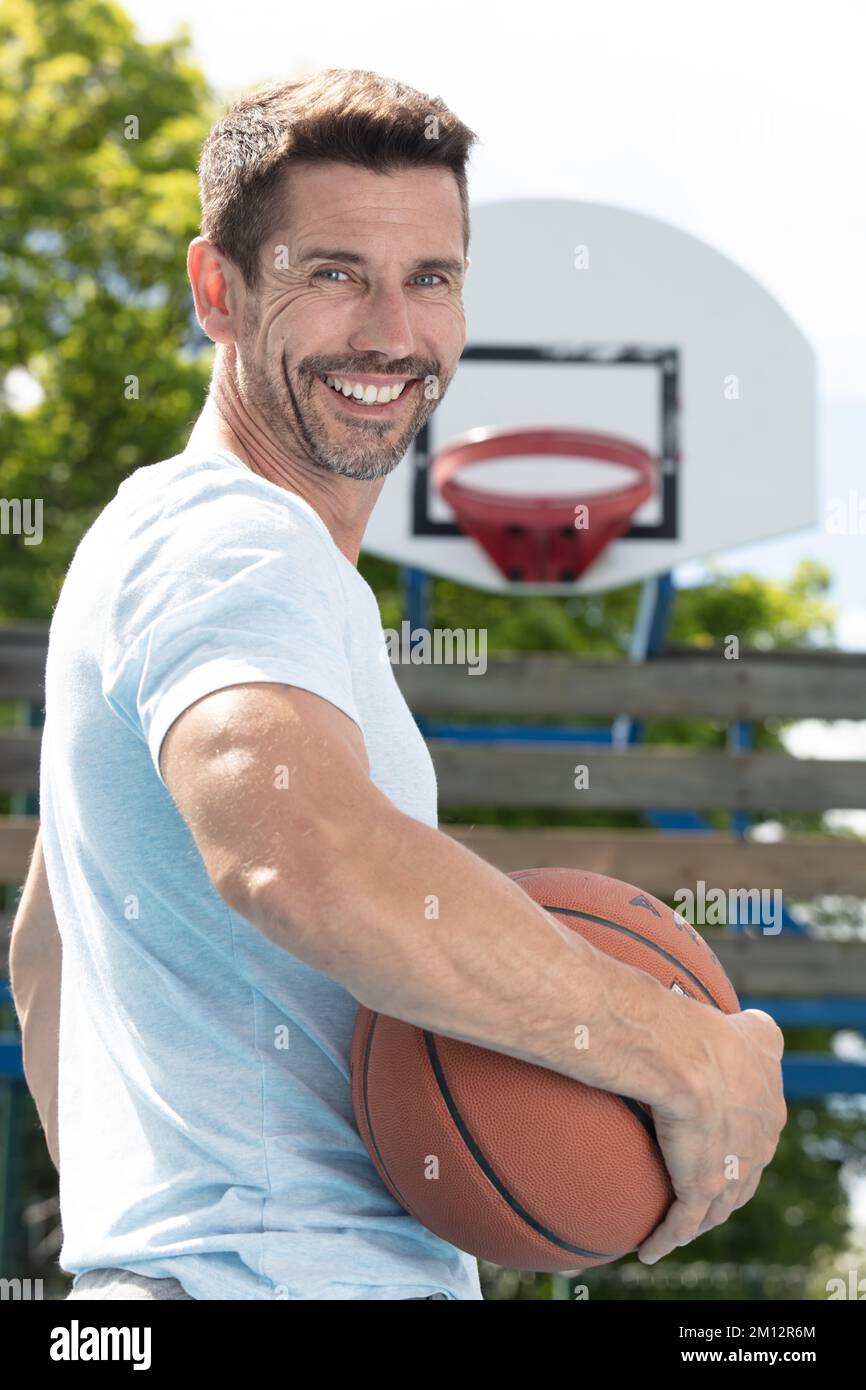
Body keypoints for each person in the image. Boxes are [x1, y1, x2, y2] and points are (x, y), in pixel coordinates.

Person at [10, 68, 785, 1302]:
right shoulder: (236, 545)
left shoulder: (165, 548)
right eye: (332, 274)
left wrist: (148, 1244)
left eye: (430, 278)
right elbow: (304, 860)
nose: (388, 332)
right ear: (217, 289)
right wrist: (680, 1051)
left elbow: (47, 951)